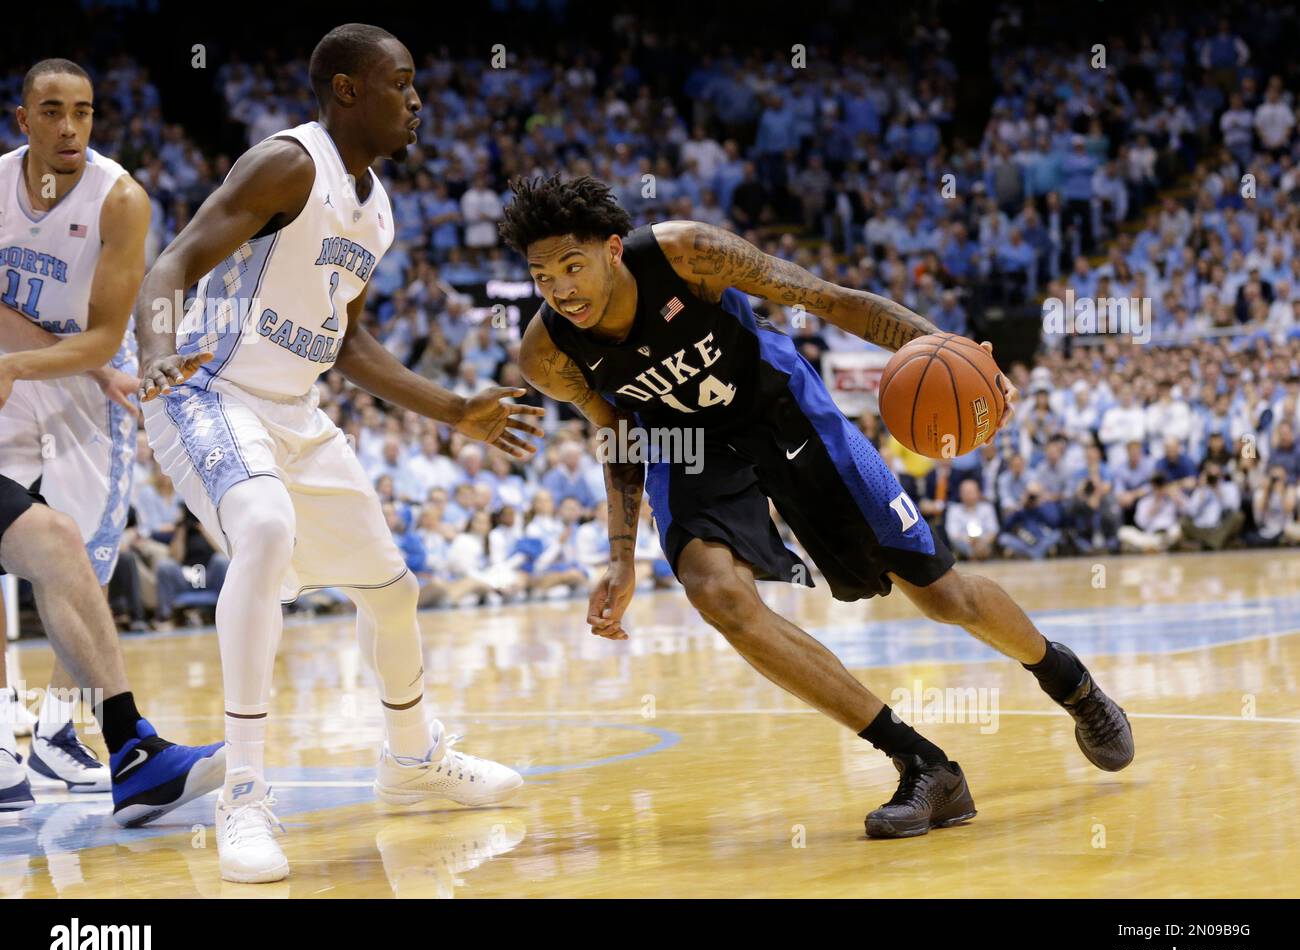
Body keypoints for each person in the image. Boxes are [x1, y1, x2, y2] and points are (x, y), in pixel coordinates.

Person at [503, 175, 1134, 840]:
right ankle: (922, 764)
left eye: (571, 267)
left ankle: (1069, 681)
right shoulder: (546, 354)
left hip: (782, 409)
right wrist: (622, 557)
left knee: (943, 596)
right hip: (688, 448)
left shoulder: (688, 254)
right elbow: (619, 434)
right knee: (714, 591)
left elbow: (826, 300)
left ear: (611, 250)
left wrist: (951, 347)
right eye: (542, 278)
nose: (560, 290)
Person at [133, 24, 542, 883]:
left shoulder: (379, 207)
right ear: (348, 90)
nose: (419, 100)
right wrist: (155, 353)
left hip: (296, 409)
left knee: (394, 593)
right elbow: (170, 264)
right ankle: (243, 792)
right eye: (402, 83)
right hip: (207, 390)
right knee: (266, 528)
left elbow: (346, 343)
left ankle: (410, 758)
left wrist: (453, 408)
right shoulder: (288, 164)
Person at [0, 57, 223, 819]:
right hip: (14, 363)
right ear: (22, 119)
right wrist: (15, 363)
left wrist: (90, 374)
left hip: (82, 373)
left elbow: (99, 338)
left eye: (84, 112)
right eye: (52, 111)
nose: (69, 127)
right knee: (27, 543)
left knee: (83, 558)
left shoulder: (120, 200)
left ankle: (62, 731)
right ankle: (7, 739)